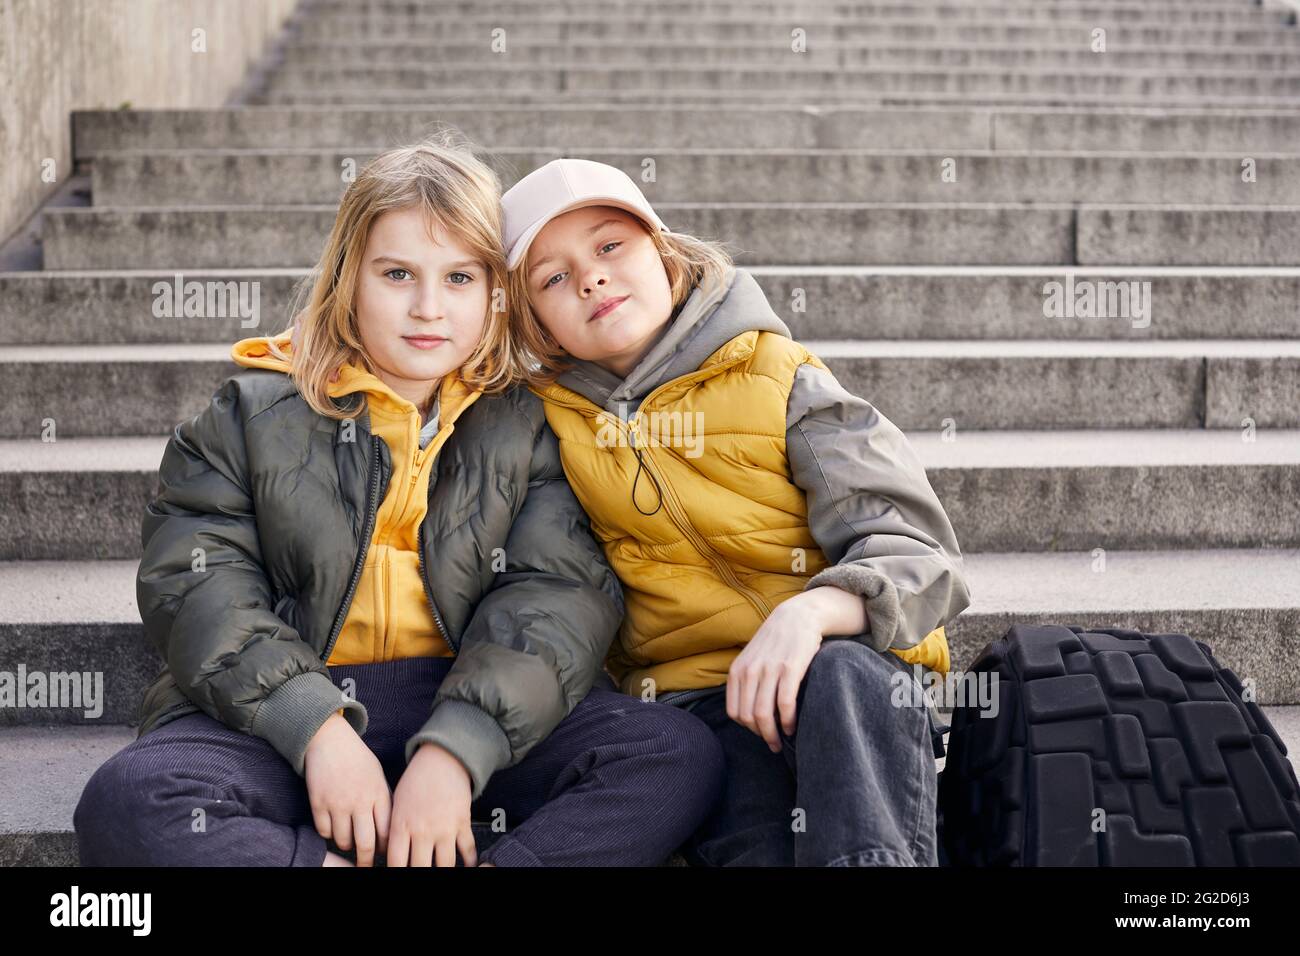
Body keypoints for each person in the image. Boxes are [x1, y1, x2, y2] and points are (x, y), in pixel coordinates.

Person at [73, 138, 724, 868]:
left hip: (468, 704)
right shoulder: (246, 417)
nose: (427, 307)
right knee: (128, 799)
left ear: (495, 293)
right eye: (397, 274)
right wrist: (316, 728)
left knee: (671, 751)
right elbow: (198, 587)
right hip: (280, 714)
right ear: (351, 279)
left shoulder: (527, 424)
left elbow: (556, 597)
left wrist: (457, 748)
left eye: (459, 278)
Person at [501, 158, 972, 866]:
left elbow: (919, 555)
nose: (591, 278)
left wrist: (811, 614)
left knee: (842, 682)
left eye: (609, 247)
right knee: (718, 781)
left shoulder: (779, 374)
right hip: (696, 706)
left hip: (844, 670)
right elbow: (556, 594)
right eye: (553, 278)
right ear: (534, 320)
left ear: (663, 253)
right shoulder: (546, 429)